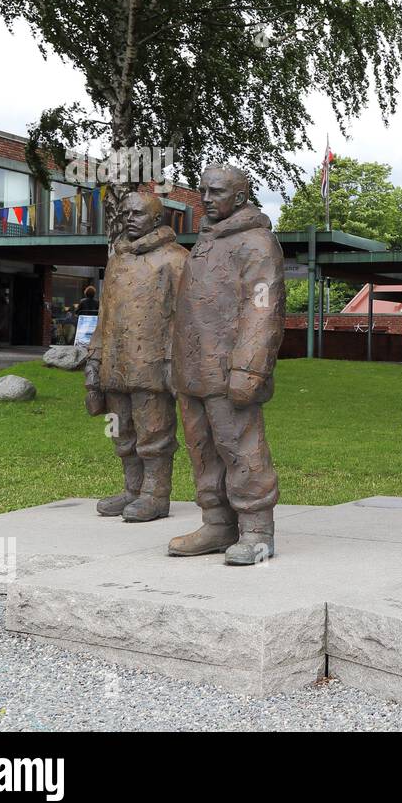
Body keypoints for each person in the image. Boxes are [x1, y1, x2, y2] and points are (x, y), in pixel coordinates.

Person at [167, 164, 287, 566]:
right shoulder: (204, 242)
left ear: (239, 197)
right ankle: (216, 522)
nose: (205, 198)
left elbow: (263, 308)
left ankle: (256, 529)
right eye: (202, 190)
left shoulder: (257, 243)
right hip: (193, 367)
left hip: (231, 368)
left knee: (240, 446)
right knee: (201, 447)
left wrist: (250, 368)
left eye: (215, 192)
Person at [84, 192, 188, 522]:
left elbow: (184, 316)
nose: (129, 218)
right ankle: (132, 489)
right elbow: (105, 312)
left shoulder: (176, 259)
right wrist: (95, 357)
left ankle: (155, 494)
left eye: (138, 213)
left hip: (153, 363)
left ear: (157, 219)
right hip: (115, 361)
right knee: (120, 430)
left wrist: (173, 360)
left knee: (154, 433)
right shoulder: (116, 258)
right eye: (125, 212)